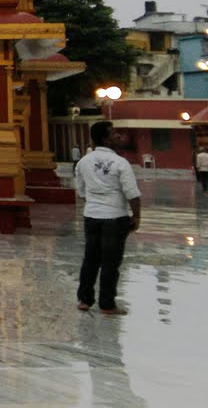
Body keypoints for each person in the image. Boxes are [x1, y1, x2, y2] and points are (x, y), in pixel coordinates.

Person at [74, 121, 141, 315]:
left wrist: (96, 202)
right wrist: (136, 216)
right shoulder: (120, 163)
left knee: (91, 259)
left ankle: (85, 300)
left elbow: (81, 192)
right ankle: (107, 303)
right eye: (114, 133)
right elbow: (132, 194)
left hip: (91, 216)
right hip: (115, 217)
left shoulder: (83, 162)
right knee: (111, 262)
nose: (118, 136)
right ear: (105, 138)